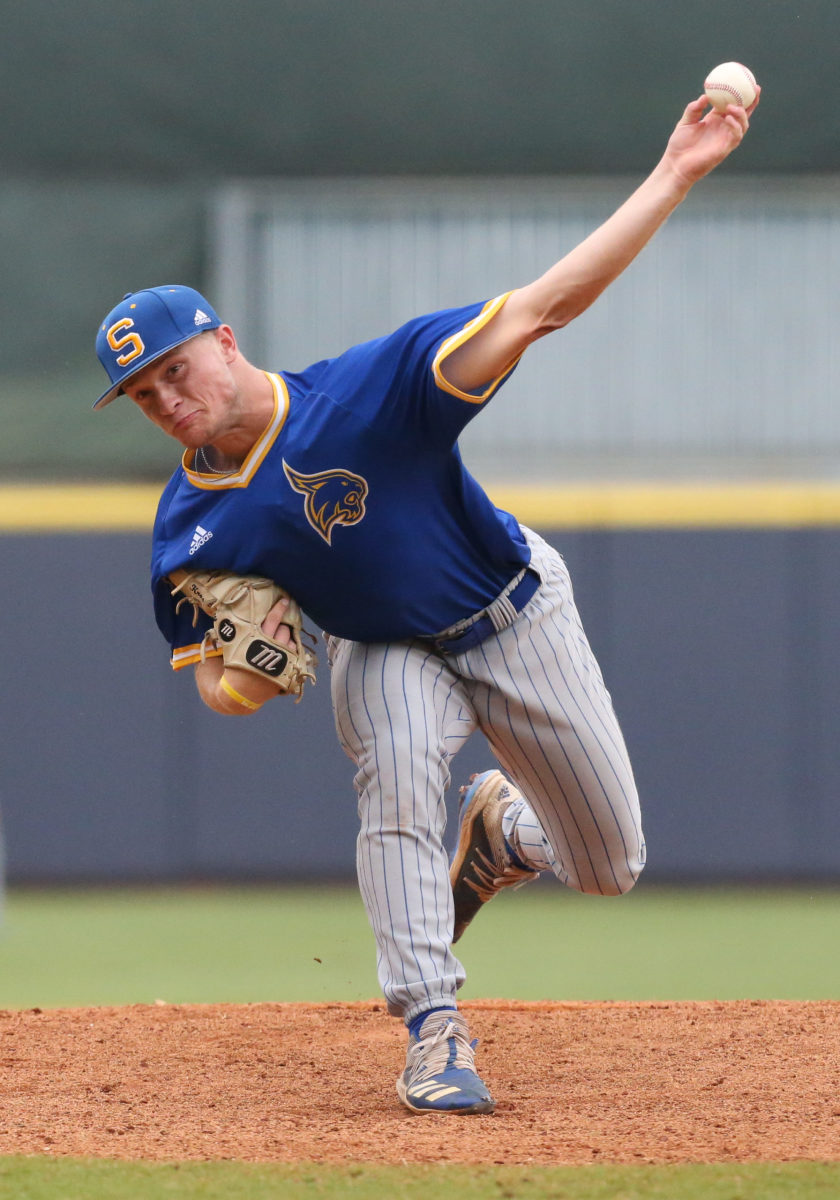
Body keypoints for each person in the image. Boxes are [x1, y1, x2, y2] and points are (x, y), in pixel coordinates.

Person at [94, 90, 757, 1115]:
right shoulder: (190, 525)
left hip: (513, 611)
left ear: (224, 341)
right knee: (396, 776)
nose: (167, 401)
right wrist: (249, 674)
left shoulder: (368, 393)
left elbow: (541, 308)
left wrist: (674, 174)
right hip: (383, 647)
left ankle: (503, 833)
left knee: (610, 865)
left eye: (173, 370)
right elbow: (219, 689)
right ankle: (432, 1029)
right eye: (144, 396)